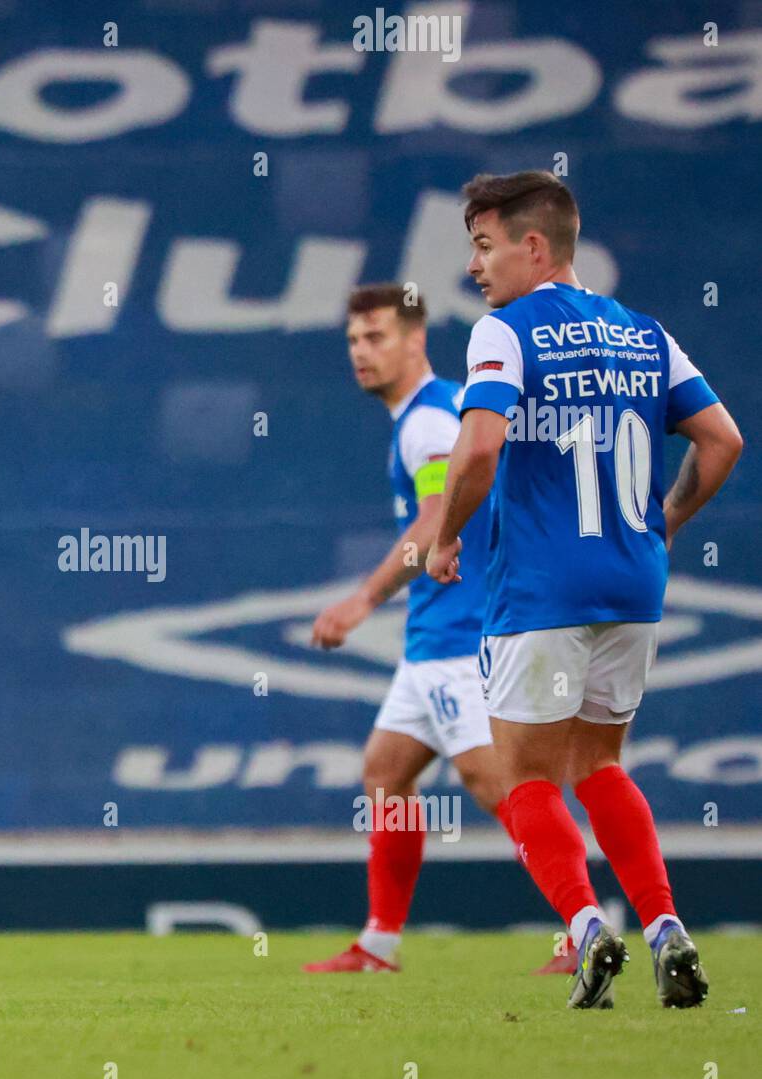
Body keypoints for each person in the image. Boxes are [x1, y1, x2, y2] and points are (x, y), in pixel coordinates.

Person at [426, 171, 742, 1009]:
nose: (473, 267)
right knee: (601, 763)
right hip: (635, 584)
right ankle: (667, 926)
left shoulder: (503, 332)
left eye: (485, 246)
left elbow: (481, 448)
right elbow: (722, 440)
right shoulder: (646, 334)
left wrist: (447, 532)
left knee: (525, 777)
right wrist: (665, 523)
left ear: (536, 248)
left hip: (540, 589)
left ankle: (587, 926)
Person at [305, 285, 570, 974]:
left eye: (378, 338)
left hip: (461, 637)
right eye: (355, 341)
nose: (362, 353)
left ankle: (583, 924)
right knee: (385, 774)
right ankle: (380, 943)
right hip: (432, 643)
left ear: (415, 341)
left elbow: (432, 522)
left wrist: (362, 602)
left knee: (495, 784)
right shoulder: (435, 410)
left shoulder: (427, 421)